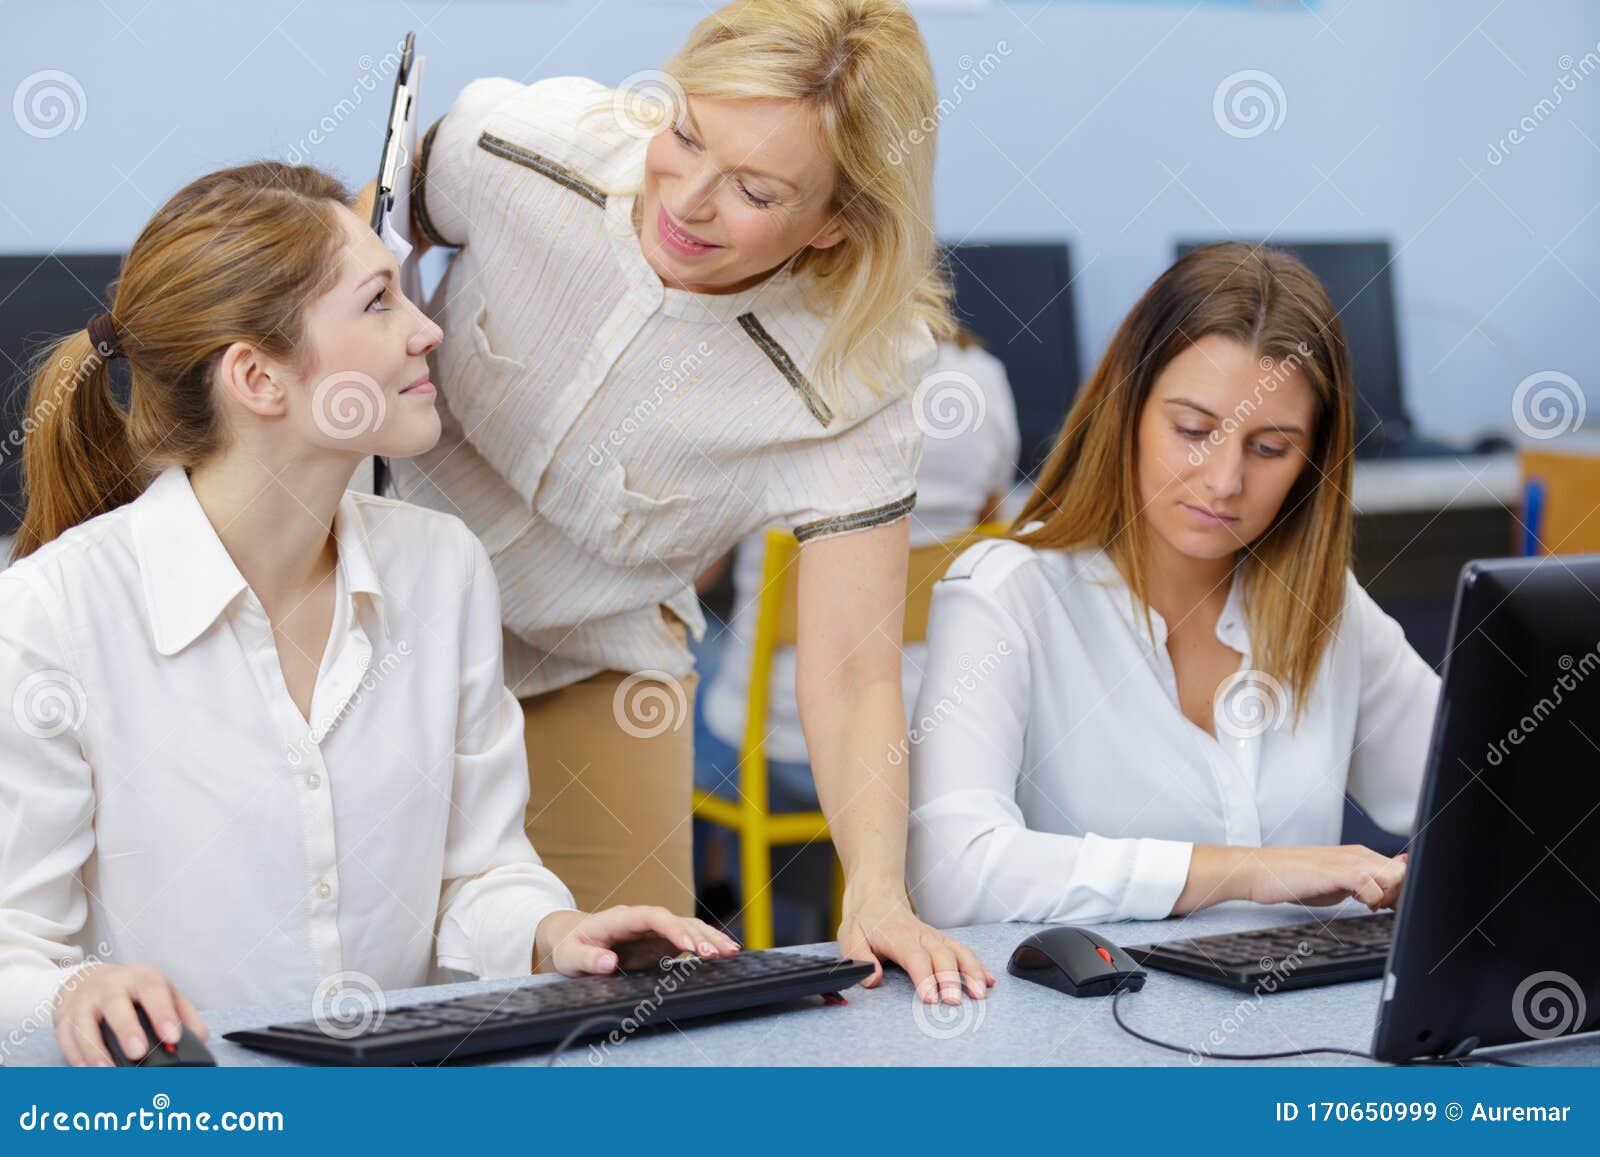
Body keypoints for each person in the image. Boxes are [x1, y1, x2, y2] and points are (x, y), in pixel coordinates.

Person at [0, 161, 736, 1067]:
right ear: (260, 379)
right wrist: (75, 992)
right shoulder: (51, 615)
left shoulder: (442, 569)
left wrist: (553, 932)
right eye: (379, 300)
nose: (426, 329)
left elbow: (477, 873)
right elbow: (12, 954)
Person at [368, 0, 991, 1002]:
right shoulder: (521, 144)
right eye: (687, 134)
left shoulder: (850, 383)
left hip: (591, 656)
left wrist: (878, 887)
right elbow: (357, 260)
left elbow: (850, 671)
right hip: (372, 620)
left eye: (752, 188)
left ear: (838, 219)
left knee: (628, 1006)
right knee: (355, 978)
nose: (687, 199)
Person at [907, 243, 1428, 928]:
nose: (1224, 480)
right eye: (1193, 429)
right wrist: (1246, 870)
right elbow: (952, 873)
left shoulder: (1324, 601)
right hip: (1096, 1023)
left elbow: (1491, 790)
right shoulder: (1008, 597)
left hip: (1302, 1023)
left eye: (1270, 448)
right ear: (1127, 410)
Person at [695, 327, 1018, 937]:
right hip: (929, 735)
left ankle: (708, 929)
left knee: (672, 665)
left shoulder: (763, 376)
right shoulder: (982, 381)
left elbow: (697, 568)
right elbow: (988, 527)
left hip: (781, 758)